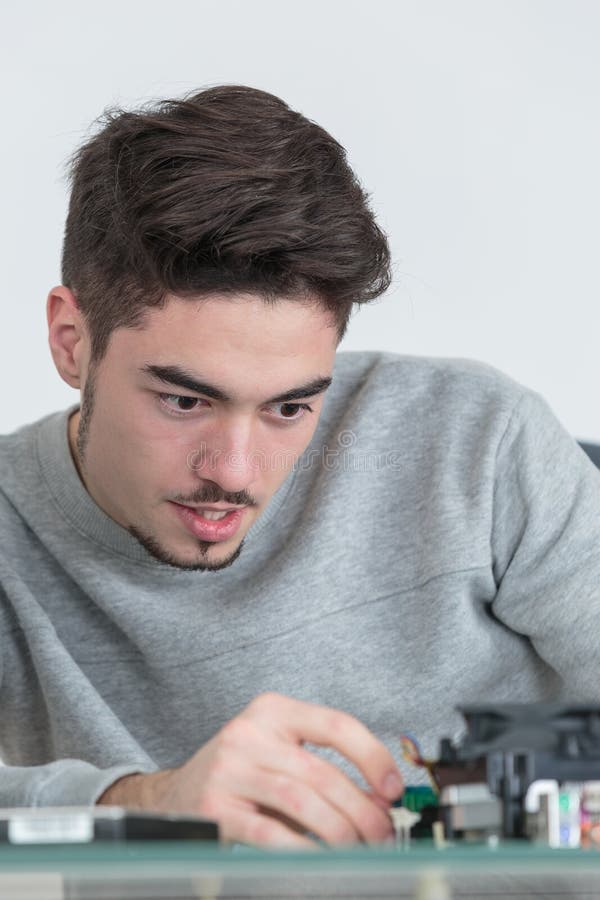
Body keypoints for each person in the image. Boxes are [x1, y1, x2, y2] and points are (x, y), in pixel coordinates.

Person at [1, 84, 599, 850]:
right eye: (184, 401)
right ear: (71, 340)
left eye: (290, 407)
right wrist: (145, 799)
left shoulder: (478, 442)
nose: (236, 472)